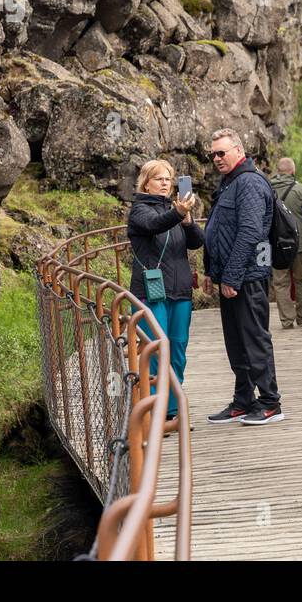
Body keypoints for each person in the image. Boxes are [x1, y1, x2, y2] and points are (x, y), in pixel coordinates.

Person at [202, 128, 283, 426]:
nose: (216, 158)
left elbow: (250, 232)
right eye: (213, 154)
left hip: (247, 277)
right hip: (232, 275)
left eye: (222, 153)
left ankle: (271, 402)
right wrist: (213, 271)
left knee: (254, 339)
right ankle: (244, 400)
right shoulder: (229, 182)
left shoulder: (248, 182)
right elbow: (218, 229)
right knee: (236, 342)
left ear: (238, 150)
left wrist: (232, 277)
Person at [127, 159, 204, 421]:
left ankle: (172, 408)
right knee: (158, 350)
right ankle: (156, 410)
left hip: (180, 290)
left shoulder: (176, 210)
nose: (164, 183)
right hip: (151, 292)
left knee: (178, 350)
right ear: (146, 183)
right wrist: (178, 213)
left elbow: (197, 242)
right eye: (159, 178)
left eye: (168, 179)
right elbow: (153, 225)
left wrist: (188, 222)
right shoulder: (139, 210)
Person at [268, 157, 302, 329]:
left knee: (280, 283)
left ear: (278, 171)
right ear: (293, 170)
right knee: (301, 280)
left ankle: (287, 320)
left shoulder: (267, 189)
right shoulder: (301, 190)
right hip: (299, 244)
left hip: (275, 244)